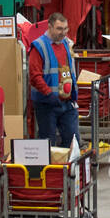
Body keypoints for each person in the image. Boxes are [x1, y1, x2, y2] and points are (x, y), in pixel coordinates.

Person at [28, 13, 79, 148]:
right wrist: (49, 94)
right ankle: (50, 169)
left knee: (73, 140)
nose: (63, 33)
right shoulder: (39, 46)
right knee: (48, 144)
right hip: (47, 104)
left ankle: (70, 169)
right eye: (59, 29)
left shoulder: (65, 43)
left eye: (66, 28)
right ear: (50, 27)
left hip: (67, 102)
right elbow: (34, 76)